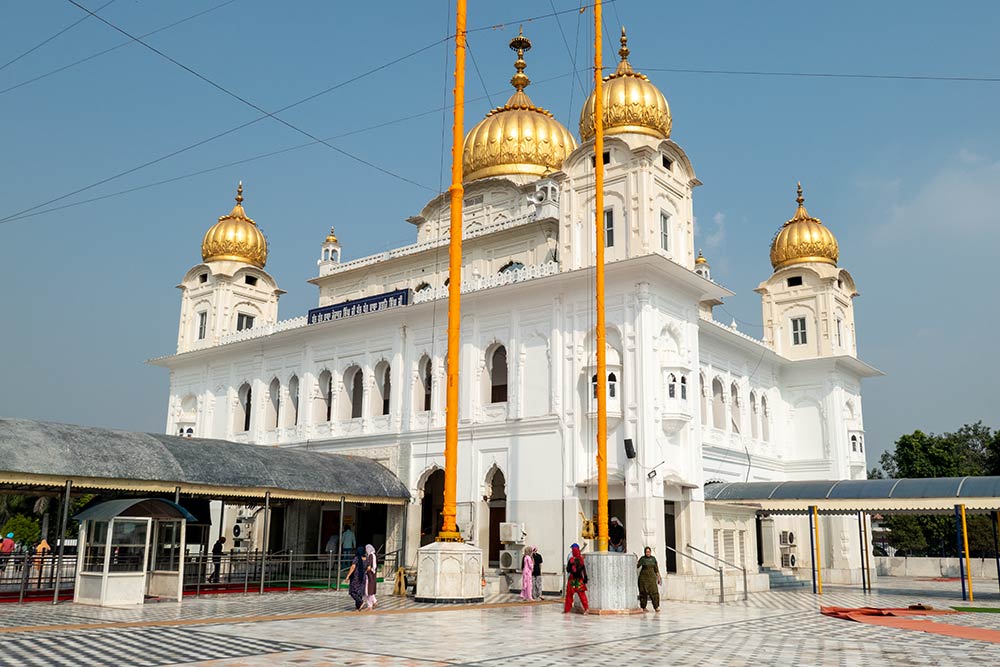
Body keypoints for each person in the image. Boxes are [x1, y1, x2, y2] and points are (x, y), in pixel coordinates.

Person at [564, 543, 589, 614]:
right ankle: (586, 609)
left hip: (572, 579)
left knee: (569, 595)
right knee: (582, 595)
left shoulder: (571, 559)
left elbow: (568, 569)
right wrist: (585, 578)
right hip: (579, 580)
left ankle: (567, 610)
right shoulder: (581, 559)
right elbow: (584, 570)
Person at [636, 546, 662, 612]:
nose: (648, 553)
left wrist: (659, 578)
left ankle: (656, 607)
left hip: (652, 579)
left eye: (649, 552)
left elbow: (656, 569)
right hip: (643, 579)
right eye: (646, 552)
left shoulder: (653, 559)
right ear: (645, 552)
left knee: (654, 592)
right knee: (643, 593)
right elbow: (637, 566)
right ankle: (643, 607)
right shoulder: (642, 559)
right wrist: (636, 560)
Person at [344, 546, 367, 611]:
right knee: (359, 592)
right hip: (362, 577)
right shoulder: (366, 559)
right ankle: (358, 607)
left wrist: (348, 576)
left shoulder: (356, 558)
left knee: (352, 591)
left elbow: (353, 567)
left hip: (355, 577)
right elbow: (368, 568)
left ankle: (361, 602)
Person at [364, 544, 379, 610]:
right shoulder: (374, 555)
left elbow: (369, 567)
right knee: (370, 589)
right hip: (373, 575)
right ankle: (374, 601)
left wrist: (364, 572)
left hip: (369, 575)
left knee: (368, 590)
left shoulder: (370, 556)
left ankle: (370, 605)